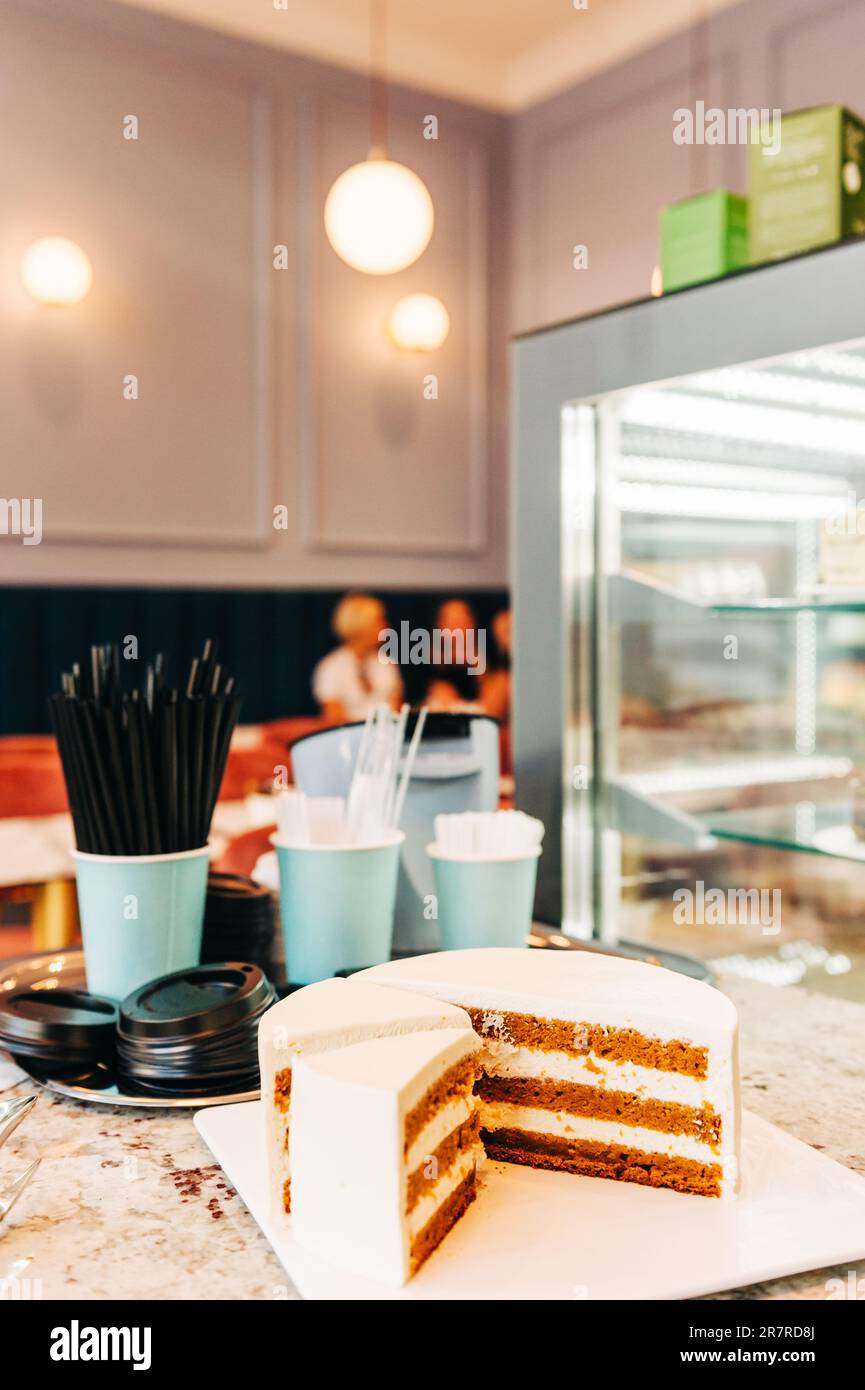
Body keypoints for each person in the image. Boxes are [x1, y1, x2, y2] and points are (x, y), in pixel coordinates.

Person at [312, 593, 403, 723]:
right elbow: (334, 721)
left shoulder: (386, 664)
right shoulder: (331, 667)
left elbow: (397, 713)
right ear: (362, 625)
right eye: (379, 621)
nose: (386, 627)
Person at [424, 598, 484, 711]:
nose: (458, 628)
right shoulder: (427, 663)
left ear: (472, 624)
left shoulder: (484, 662)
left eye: (463, 621)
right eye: (452, 622)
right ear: (440, 626)